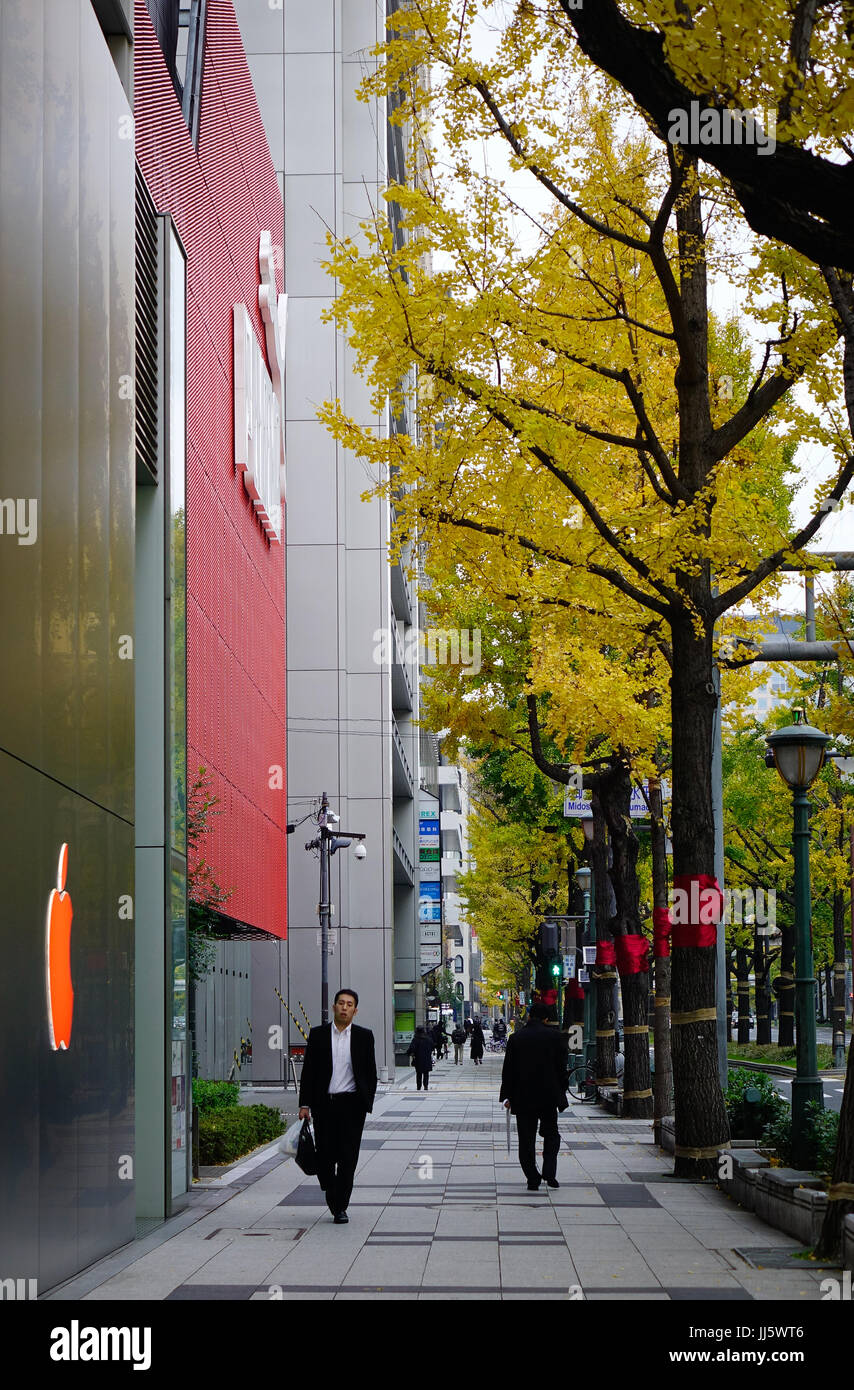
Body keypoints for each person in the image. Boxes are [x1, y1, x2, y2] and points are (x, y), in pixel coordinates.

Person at [298, 988, 377, 1224]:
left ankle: (340, 1206)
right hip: (325, 1105)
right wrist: (305, 1104)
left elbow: (370, 1072)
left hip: (352, 1106)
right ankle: (331, 1191)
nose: (344, 1007)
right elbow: (309, 1072)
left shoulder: (364, 1036)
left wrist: (366, 1101)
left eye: (349, 1004)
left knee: (348, 1158)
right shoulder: (318, 1035)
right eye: (341, 1003)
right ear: (334, 1007)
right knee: (324, 1157)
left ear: (355, 1010)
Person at [499, 1001, 569, 1191]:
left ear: (529, 1016)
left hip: (523, 1097)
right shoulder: (555, 1037)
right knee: (551, 1134)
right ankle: (549, 1172)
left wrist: (507, 1096)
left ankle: (532, 1177)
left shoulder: (516, 1038)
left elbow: (509, 1071)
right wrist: (561, 1091)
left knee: (526, 1139)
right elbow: (561, 1068)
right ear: (546, 1019)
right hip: (548, 1096)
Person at [407, 1025, 434, 1091]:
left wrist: (408, 1053)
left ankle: (418, 1087)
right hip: (427, 1058)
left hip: (418, 1059)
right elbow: (432, 1047)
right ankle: (426, 1086)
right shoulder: (428, 1039)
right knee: (426, 1073)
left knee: (418, 1073)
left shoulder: (415, 1039)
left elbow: (411, 1049)